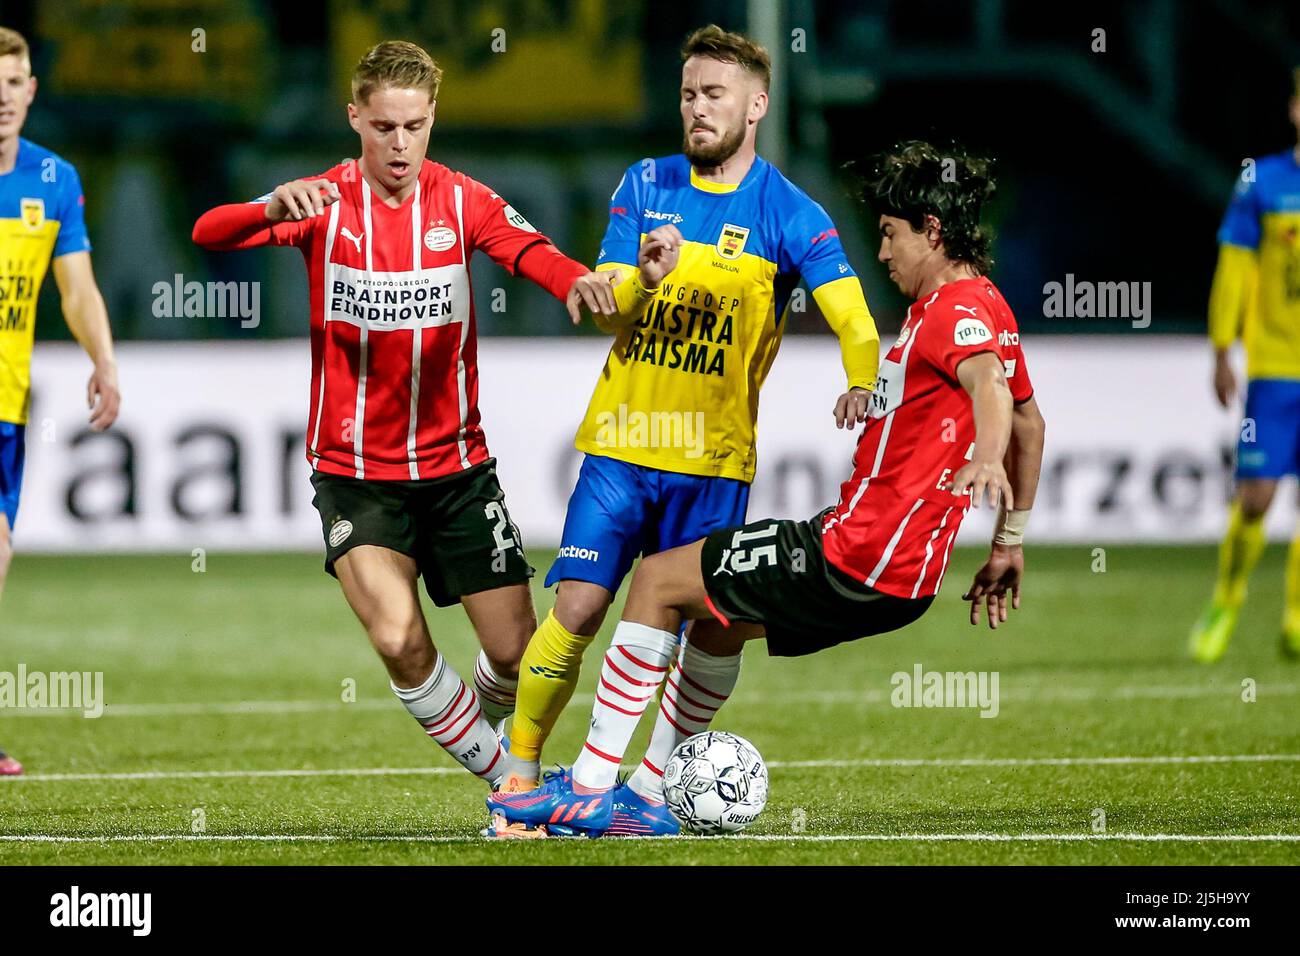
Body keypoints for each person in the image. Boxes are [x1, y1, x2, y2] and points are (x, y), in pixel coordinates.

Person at [489, 140, 1046, 837]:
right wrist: (1010, 540)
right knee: (721, 625)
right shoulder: (989, 304)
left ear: (932, 232)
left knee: (660, 582)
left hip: (856, 552)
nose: (882, 255)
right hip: (904, 582)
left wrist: (986, 458)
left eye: (890, 235)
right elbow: (1032, 418)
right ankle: (651, 797)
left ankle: (594, 785)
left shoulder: (950, 313)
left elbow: (994, 394)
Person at [192, 41, 615, 788]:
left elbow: (528, 249)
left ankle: (484, 712)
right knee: (397, 637)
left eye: (414, 127)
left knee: (520, 657)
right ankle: (514, 784)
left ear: (432, 119)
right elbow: (209, 233)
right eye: (384, 126)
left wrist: (574, 280)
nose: (399, 144)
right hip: (356, 475)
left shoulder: (462, 200)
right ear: (355, 117)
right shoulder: (321, 203)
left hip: (457, 471)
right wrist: (264, 206)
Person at [497, 25, 882, 833]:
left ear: (756, 105)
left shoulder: (791, 211)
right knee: (575, 609)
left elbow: (855, 321)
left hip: (713, 464)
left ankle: (642, 789)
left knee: (711, 626)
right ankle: (522, 781)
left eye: (713, 95)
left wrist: (859, 382)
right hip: (620, 448)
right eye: (687, 94)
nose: (697, 108)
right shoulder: (646, 183)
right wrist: (641, 276)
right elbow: (604, 307)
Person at [0, 27, 122, 777]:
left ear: (31, 90)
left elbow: (74, 287)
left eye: (12, 85)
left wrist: (103, 359)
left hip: (7, 407)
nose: (1, 100)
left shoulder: (53, 179)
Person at [1190, 66, 1300, 663]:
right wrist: (1220, 348)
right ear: (1294, 110)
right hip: (1277, 368)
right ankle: (1227, 597)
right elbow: (1233, 270)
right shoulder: (1263, 181)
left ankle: (1295, 620)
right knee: (1257, 494)